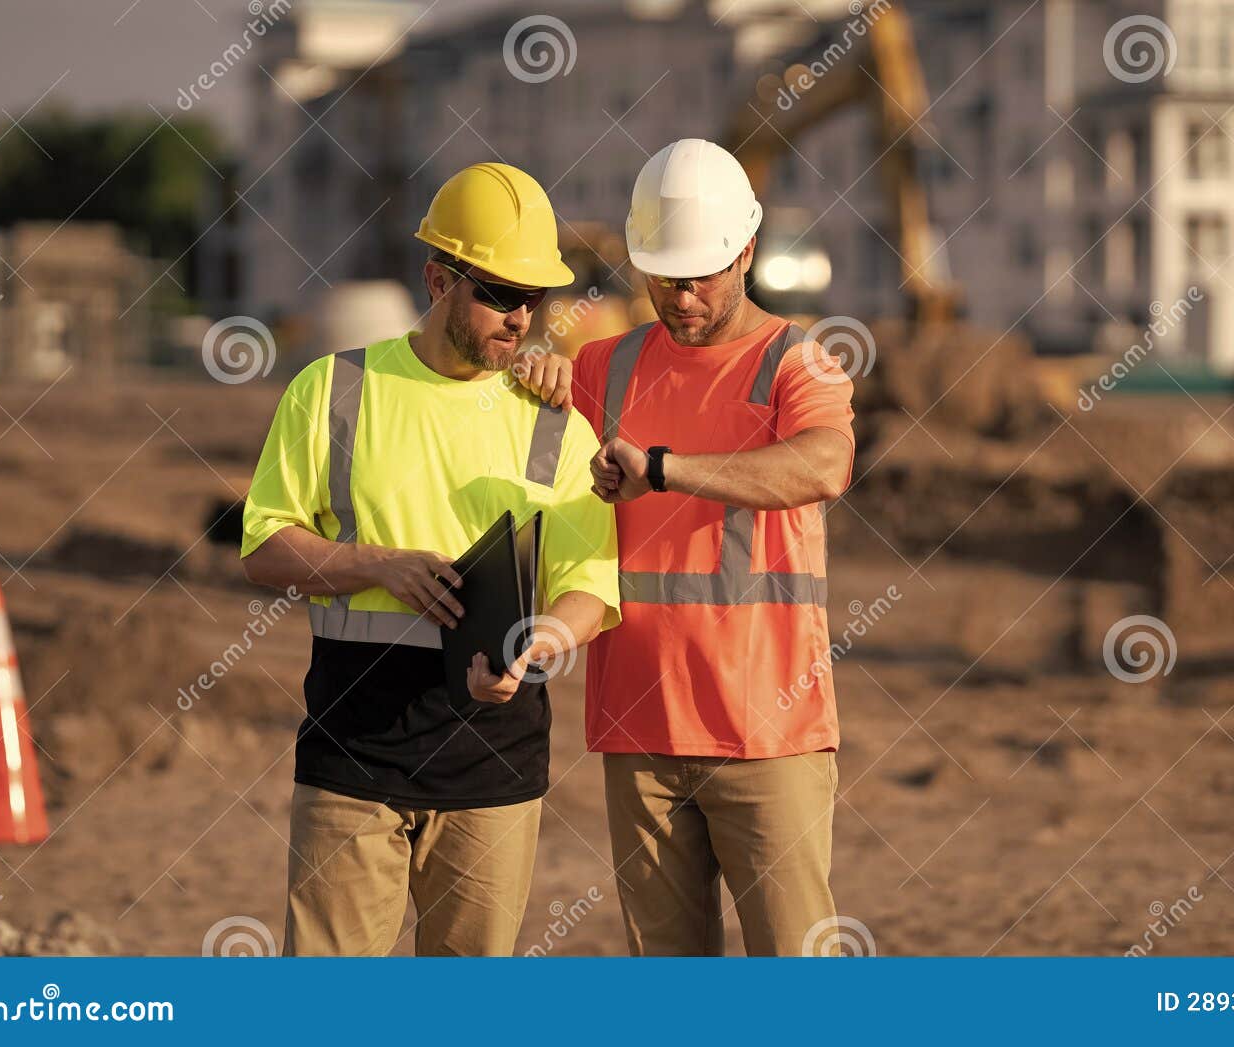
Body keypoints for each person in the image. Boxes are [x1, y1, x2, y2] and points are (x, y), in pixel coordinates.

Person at [240, 161, 620, 956]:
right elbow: (266, 547)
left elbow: (589, 584)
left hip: (493, 764)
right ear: (438, 278)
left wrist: (538, 646)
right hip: (352, 755)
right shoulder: (333, 390)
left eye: (534, 298)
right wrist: (376, 565)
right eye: (498, 293)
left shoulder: (556, 423)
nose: (521, 319)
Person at [515, 138, 855, 955]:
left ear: (745, 250)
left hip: (767, 733)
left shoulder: (795, 363)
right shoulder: (604, 366)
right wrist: (530, 382)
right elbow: (524, 486)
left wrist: (664, 470)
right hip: (640, 734)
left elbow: (824, 463)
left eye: (701, 271)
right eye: (664, 273)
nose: (682, 293)